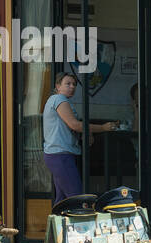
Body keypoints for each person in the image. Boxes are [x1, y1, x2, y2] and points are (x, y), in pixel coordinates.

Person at [43, 72, 118, 203]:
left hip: (57, 155)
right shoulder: (59, 99)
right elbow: (74, 124)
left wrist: (87, 133)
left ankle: (54, 223)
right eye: (68, 84)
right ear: (58, 86)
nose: (72, 87)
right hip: (61, 155)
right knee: (77, 199)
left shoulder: (57, 100)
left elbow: (70, 126)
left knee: (62, 201)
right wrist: (103, 128)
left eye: (74, 84)